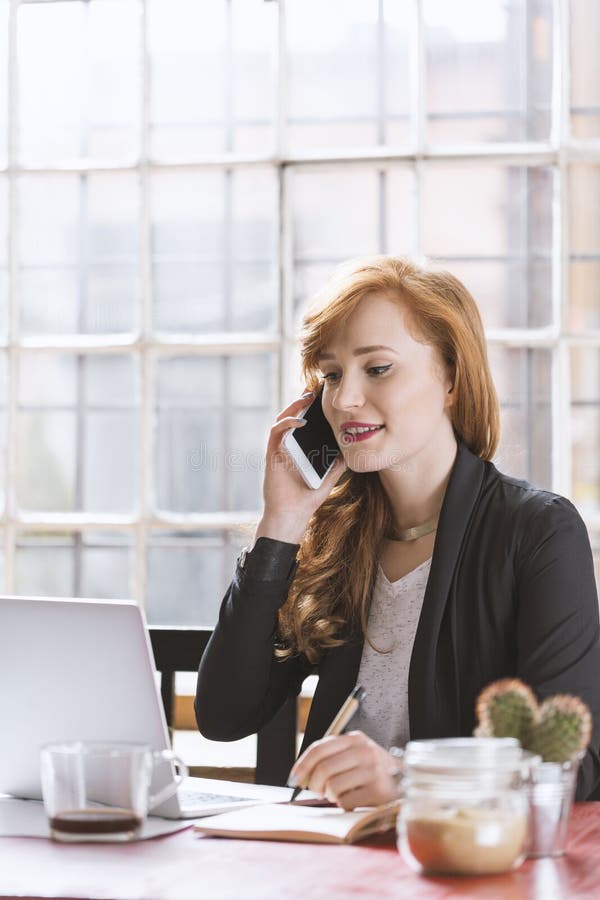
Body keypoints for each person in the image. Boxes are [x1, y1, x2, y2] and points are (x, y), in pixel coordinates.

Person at [195, 255, 600, 807]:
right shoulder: (336, 536)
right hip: (326, 850)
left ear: (452, 377)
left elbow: (575, 766)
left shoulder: (537, 532)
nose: (343, 399)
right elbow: (225, 714)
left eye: (377, 368)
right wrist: (282, 523)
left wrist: (409, 781)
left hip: (452, 856)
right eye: (331, 374)